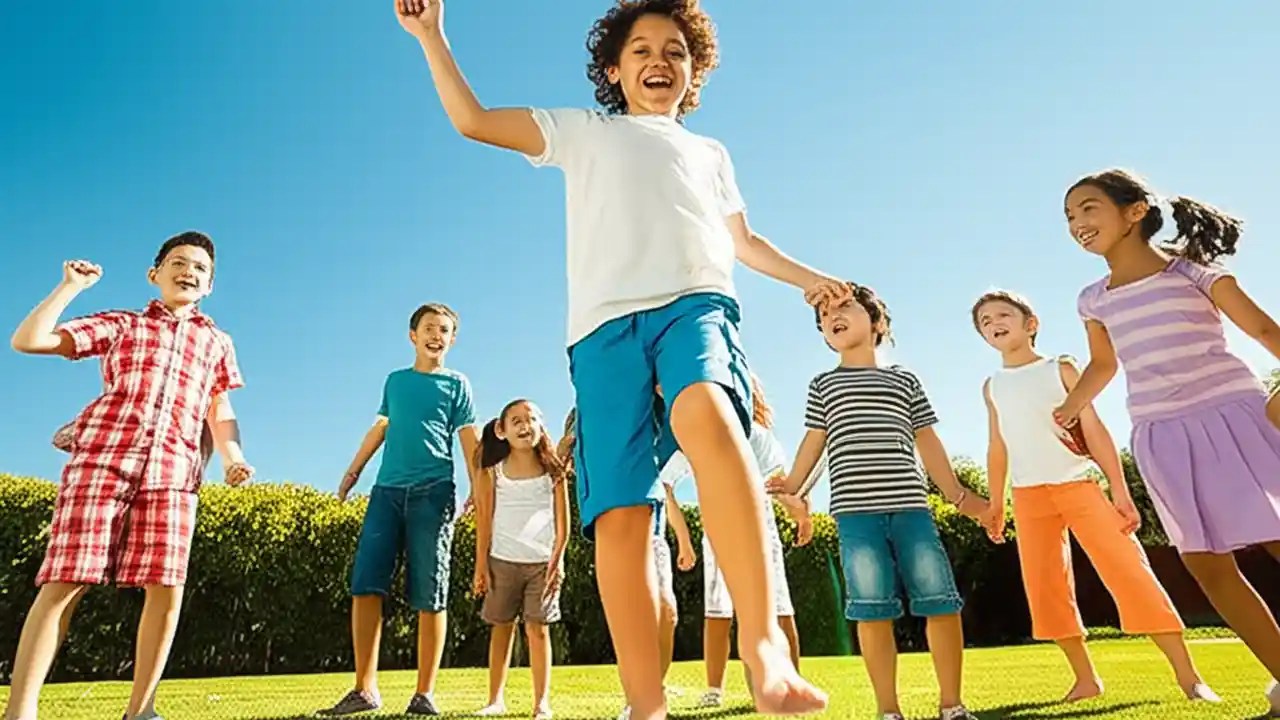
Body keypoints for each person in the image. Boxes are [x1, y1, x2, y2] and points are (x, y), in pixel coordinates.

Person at [394, 1, 849, 716]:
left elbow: (744, 242)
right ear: (613, 69)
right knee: (622, 513)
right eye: (641, 50)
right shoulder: (584, 131)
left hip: (695, 307)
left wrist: (810, 279)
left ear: (694, 69)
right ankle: (644, 700)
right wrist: (431, 36)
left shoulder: (710, 153)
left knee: (708, 415)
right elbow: (473, 120)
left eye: (675, 50)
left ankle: (765, 649)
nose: (659, 61)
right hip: (603, 333)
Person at [1056, 169, 1280, 713]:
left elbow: (1263, 330)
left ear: (1134, 211)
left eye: (1088, 208)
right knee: (1206, 563)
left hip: (1233, 415)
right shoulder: (1093, 299)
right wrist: (1069, 407)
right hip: (1160, 434)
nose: (1077, 223)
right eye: (1069, 216)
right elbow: (1104, 364)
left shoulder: (1193, 272)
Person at [5, 232, 252, 720]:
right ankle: (20, 711)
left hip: (173, 472)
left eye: (200, 268)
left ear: (209, 285)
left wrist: (232, 457)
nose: (189, 271)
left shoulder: (216, 342)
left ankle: (141, 710)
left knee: (167, 586)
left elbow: (219, 408)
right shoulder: (123, 324)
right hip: (102, 461)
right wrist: (70, 287)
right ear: (154, 274)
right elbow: (28, 340)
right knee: (66, 579)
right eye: (178, 262)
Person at [972, 289, 1217, 703]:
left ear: (1030, 324)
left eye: (1002, 315)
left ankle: (1189, 678)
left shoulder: (1061, 368)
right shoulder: (992, 386)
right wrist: (996, 503)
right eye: (984, 321)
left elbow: (1096, 430)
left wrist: (1120, 490)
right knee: (1046, 588)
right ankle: (1086, 680)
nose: (993, 323)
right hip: (1028, 496)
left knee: (1130, 571)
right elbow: (998, 447)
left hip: (1080, 485)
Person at [769, 283, 990, 720]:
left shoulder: (904, 380)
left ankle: (952, 705)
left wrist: (960, 497)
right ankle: (888, 710)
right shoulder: (824, 385)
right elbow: (814, 443)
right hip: (855, 517)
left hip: (911, 510)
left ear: (876, 322)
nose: (832, 316)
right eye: (824, 316)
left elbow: (928, 442)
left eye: (844, 306)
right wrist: (791, 485)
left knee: (941, 602)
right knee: (871, 611)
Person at [320, 303, 481, 717]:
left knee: (431, 591)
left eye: (444, 330)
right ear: (413, 335)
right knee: (365, 584)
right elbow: (381, 428)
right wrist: (353, 471)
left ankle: (424, 693)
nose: (436, 335)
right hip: (386, 492)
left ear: (452, 339)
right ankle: (364, 690)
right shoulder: (395, 381)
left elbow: (470, 441)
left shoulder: (457, 385)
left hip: (433, 493)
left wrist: (479, 490)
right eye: (429, 328)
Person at [657, 373, 816, 709]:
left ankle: (791, 681)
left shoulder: (757, 436)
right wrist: (683, 537)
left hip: (762, 535)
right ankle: (714, 689)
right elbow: (665, 483)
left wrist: (801, 514)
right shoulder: (699, 435)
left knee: (779, 607)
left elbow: (780, 485)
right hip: (718, 536)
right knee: (718, 611)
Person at [472, 399, 570, 720]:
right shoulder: (494, 472)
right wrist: (481, 565)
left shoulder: (553, 472)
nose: (525, 425)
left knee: (538, 630)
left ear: (541, 427)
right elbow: (485, 520)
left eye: (531, 419)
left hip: (542, 566)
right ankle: (495, 700)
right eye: (516, 420)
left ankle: (541, 704)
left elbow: (563, 524)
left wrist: (558, 561)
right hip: (501, 562)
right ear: (501, 431)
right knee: (501, 629)